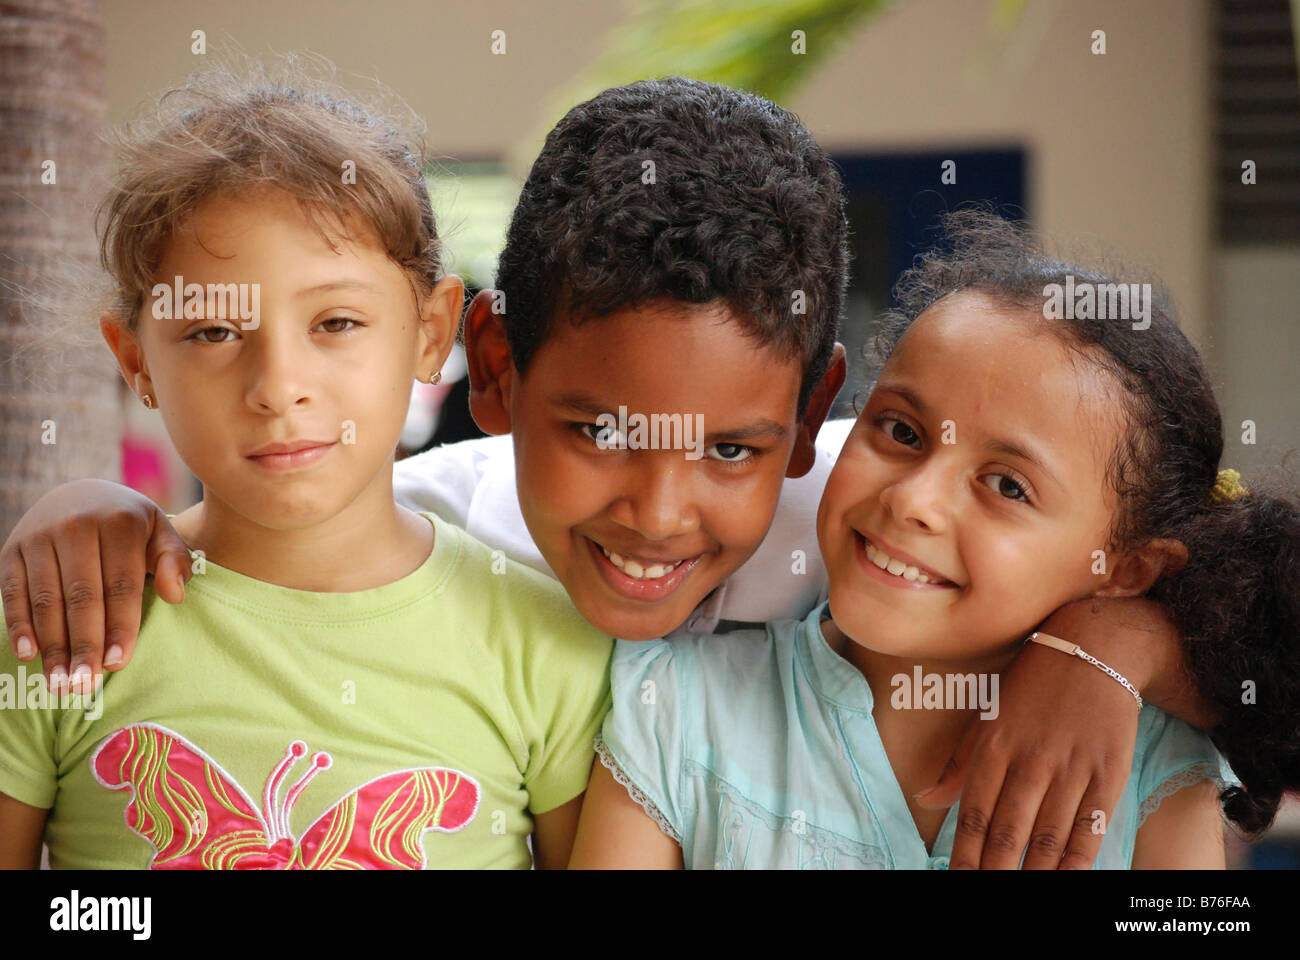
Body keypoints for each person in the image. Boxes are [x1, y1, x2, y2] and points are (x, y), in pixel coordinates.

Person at [2, 79, 1216, 869]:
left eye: (732, 450)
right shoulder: (445, 524)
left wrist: (1109, 648)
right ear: (489, 369)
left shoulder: (873, 496)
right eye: (595, 432)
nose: (658, 511)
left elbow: (1210, 563)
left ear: (807, 419)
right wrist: (87, 509)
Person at [0, 64, 613, 869]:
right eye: (213, 333)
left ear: (431, 333)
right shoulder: (65, 626)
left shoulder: (545, 642)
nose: (278, 388)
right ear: (135, 361)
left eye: (336, 321)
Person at [571, 210, 1300, 868]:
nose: (913, 500)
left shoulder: (1154, 765)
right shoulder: (674, 710)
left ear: (1128, 568)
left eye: (1008, 486)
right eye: (901, 432)